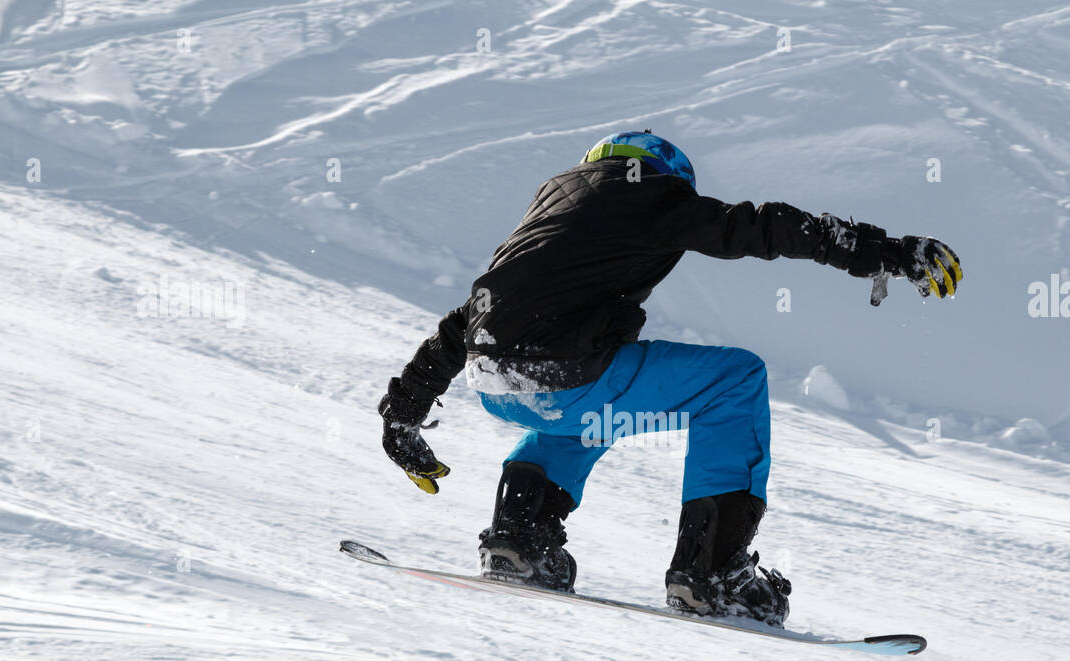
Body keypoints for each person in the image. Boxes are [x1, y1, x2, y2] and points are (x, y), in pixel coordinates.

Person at [379, 130, 962, 626]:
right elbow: (761, 228)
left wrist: (403, 415)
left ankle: (519, 539)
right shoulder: (650, 192)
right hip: (570, 374)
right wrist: (882, 251)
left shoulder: (553, 209)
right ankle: (712, 575)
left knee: (586, 412)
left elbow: (466, 317)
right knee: (737, 379)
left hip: (498, 386)